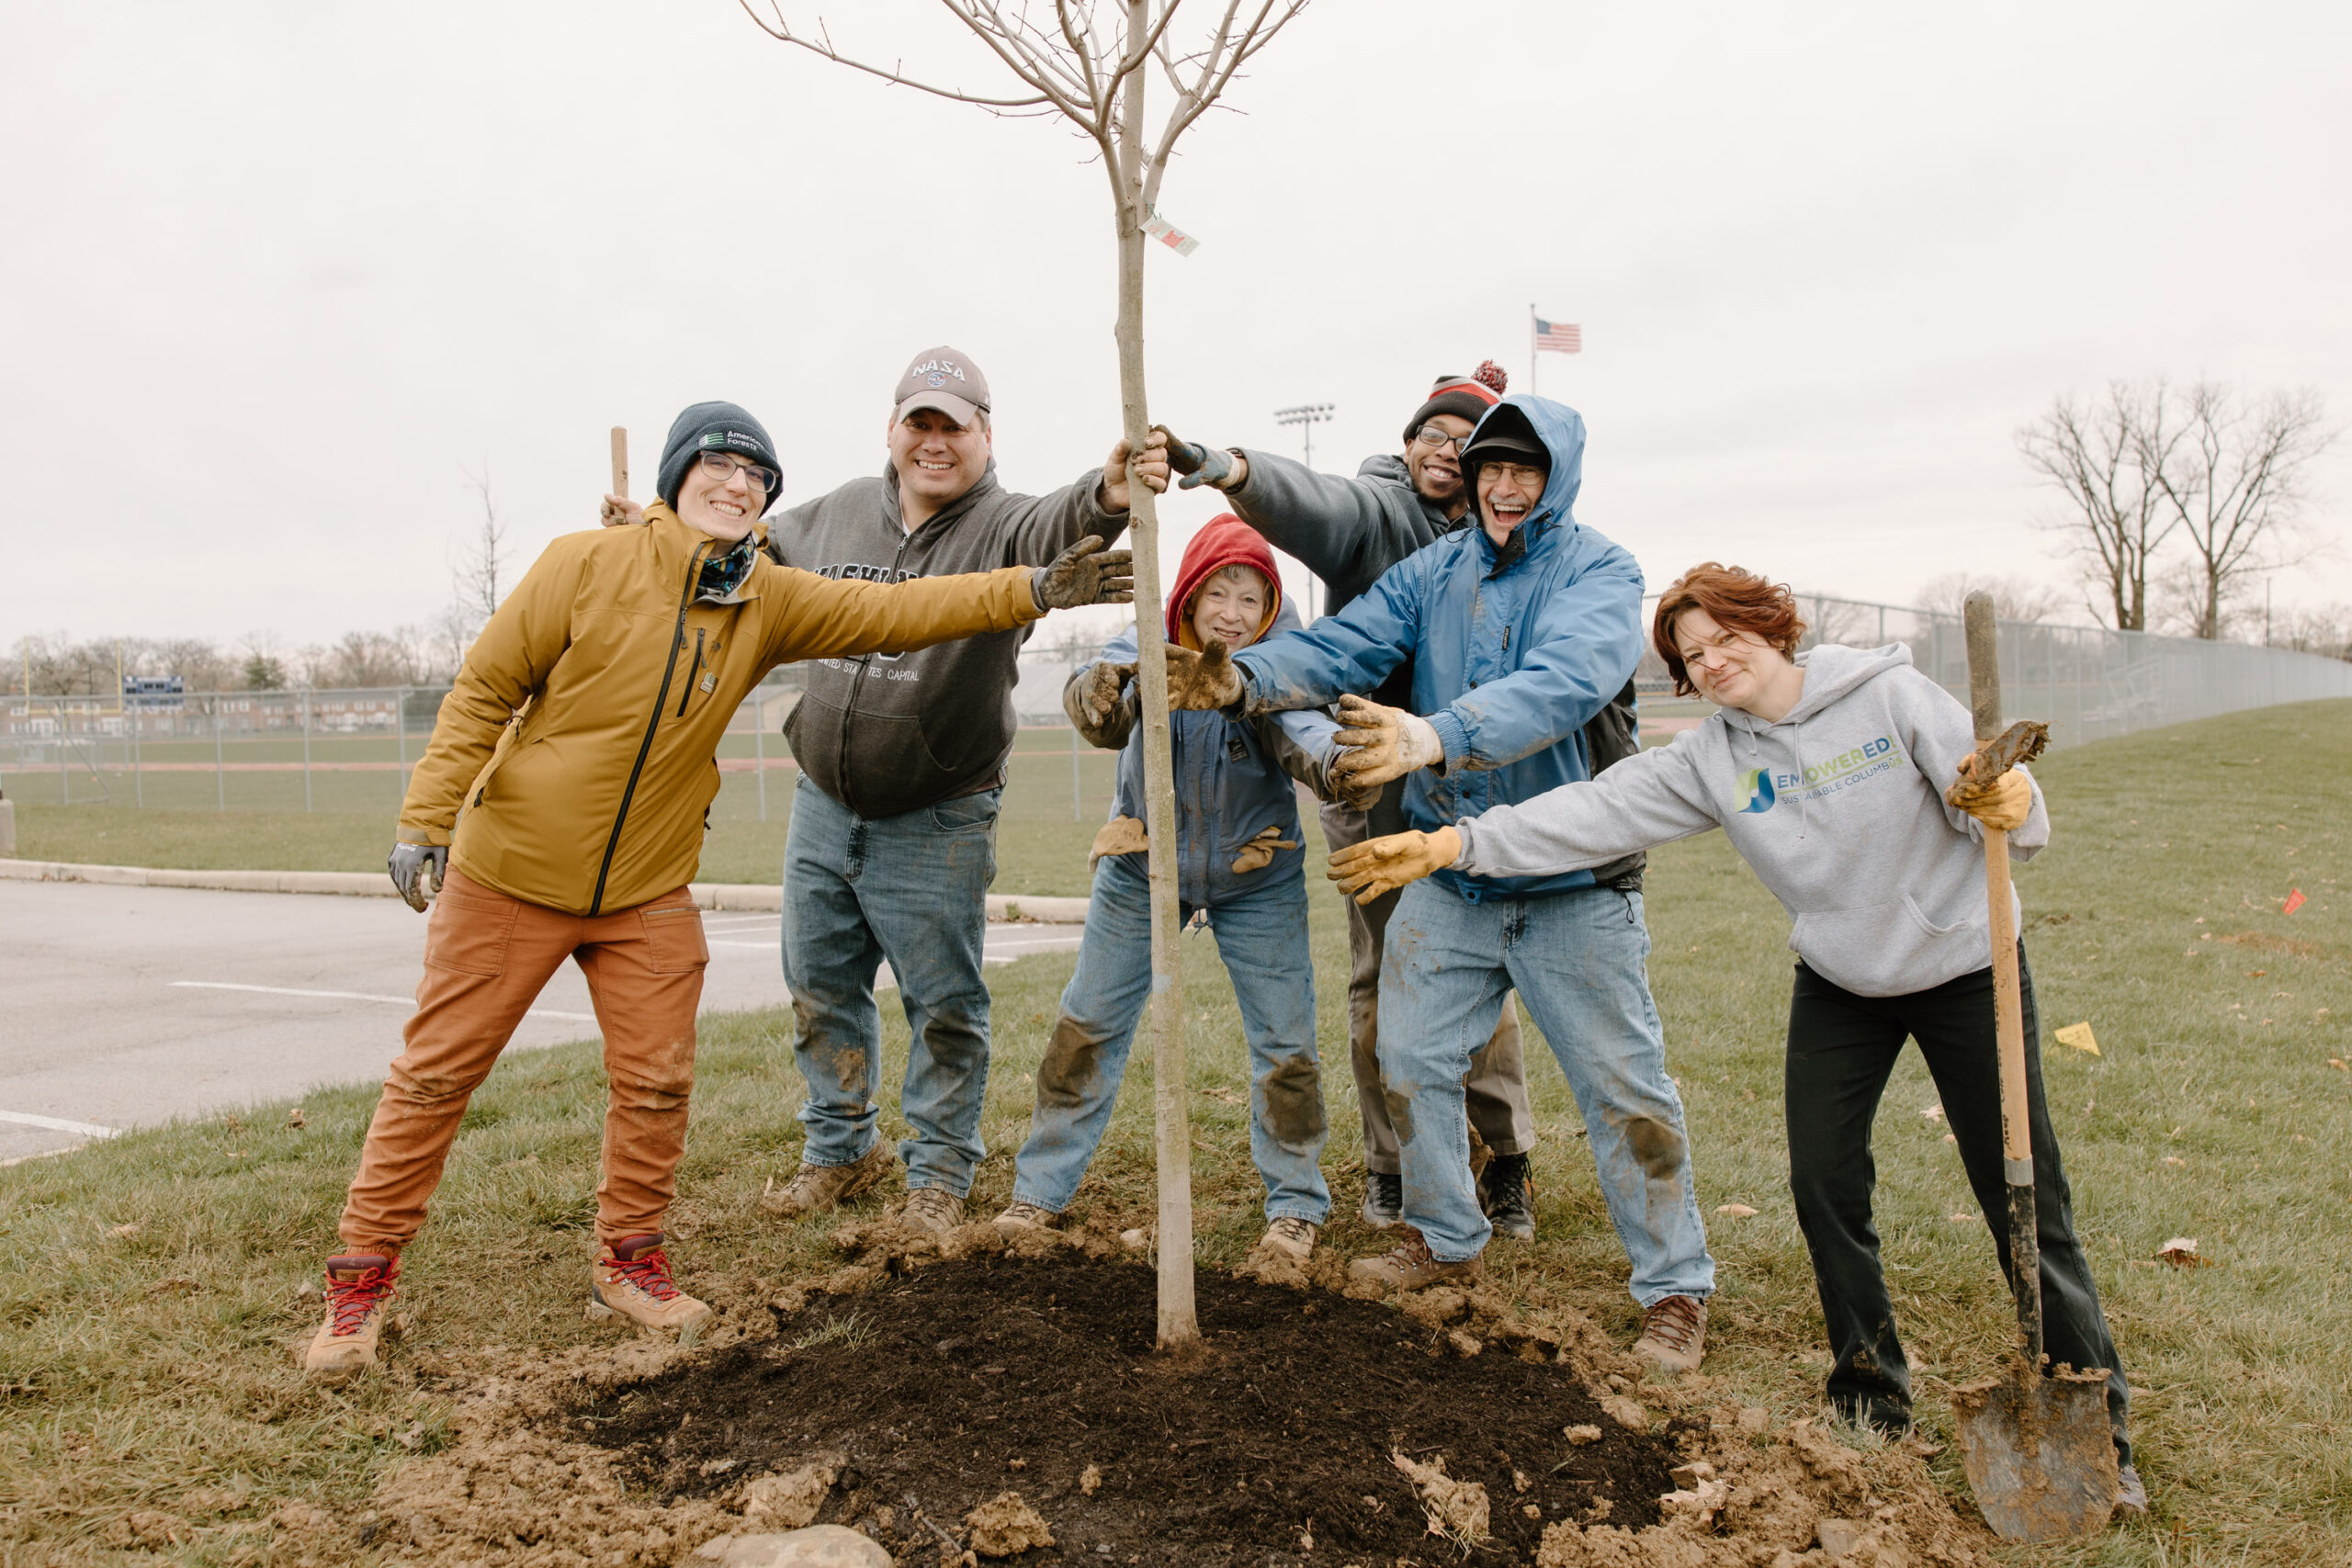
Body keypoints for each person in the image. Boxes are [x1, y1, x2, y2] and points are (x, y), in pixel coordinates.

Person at [302, 401, 1133, 1380]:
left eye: (757, 476)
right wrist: (424, 818)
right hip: (512, 873)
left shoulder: (766, 598)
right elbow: (484, 690)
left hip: (646, 888)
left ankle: (631, 1261)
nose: (738, 484)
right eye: (718, 466)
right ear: (676, 477)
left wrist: (1034, 588)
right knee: (436, 1077)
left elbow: (903, 609)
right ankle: (358, 1290)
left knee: (656, 1083)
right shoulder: (583, 564)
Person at [1327, 562, 2143, 1512]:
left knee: (2023, 1194)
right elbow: (1592, 811)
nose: (1713, 663)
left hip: (1966, 967)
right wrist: (1448, 845)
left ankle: (2101, 1426)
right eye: (1691, 654)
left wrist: (2013, 804)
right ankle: (1870, 1387)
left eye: (1728, 640)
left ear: (1773, 631)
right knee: (1823, 1182)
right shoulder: (1714, 759)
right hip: (1842, 980)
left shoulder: (1885, 694)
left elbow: (1997, 796)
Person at [1156, 394, 1717, 1375]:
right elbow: (1345, 645)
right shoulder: (1434, 569)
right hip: (1447, 872)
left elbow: (1566, 680)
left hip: (1566, 877)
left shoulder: (1599, 572)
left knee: (1621, 1086)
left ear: (1559, 479)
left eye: (1524, 471)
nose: (1503, 487)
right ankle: (1444, 1235)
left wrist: (1434, 734)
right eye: (1492, 469)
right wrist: (1245, 678)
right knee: (1407, 1056)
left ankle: (1674, 1285)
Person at [757, 346, 1170, 1236]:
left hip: (934, 815)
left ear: (986, 434)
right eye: (921, 423)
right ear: (894, 428)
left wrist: (1102, 496)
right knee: (818, 990)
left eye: (955, 425)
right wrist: (664, 528)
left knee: (942, 1005)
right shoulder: (834, 516)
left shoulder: (1000, 525)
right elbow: (752, 540)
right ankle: (839, 1150)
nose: (935, 442)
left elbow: (1058, 527)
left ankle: (938, 1172)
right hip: (822, 807)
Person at [995, 516, 1362, 1258]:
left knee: (1285, 1043)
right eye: (1218, 591)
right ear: (1189, 593)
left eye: (1250, 598)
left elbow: (1304, 731)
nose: (1232, 611)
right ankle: (1039, 1193)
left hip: (1257, 875)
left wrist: (1339, 764)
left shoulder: (1279, 659)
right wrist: (1094, 694)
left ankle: (1294, 1205)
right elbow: (1102, 705)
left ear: (1269, 607)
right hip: (1144, 865)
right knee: (1087, 1023)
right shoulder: (1146, 638)